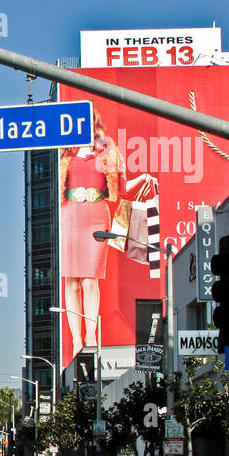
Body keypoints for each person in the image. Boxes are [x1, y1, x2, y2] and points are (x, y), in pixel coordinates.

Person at [59, 111, 159, 352]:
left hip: (96, 216)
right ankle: (75, 340)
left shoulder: (107, 152)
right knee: (71, 281)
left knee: (90, 281)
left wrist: (142, 178)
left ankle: (92, 337)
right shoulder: (63, 154)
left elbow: (121, 189)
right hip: (69, 215)